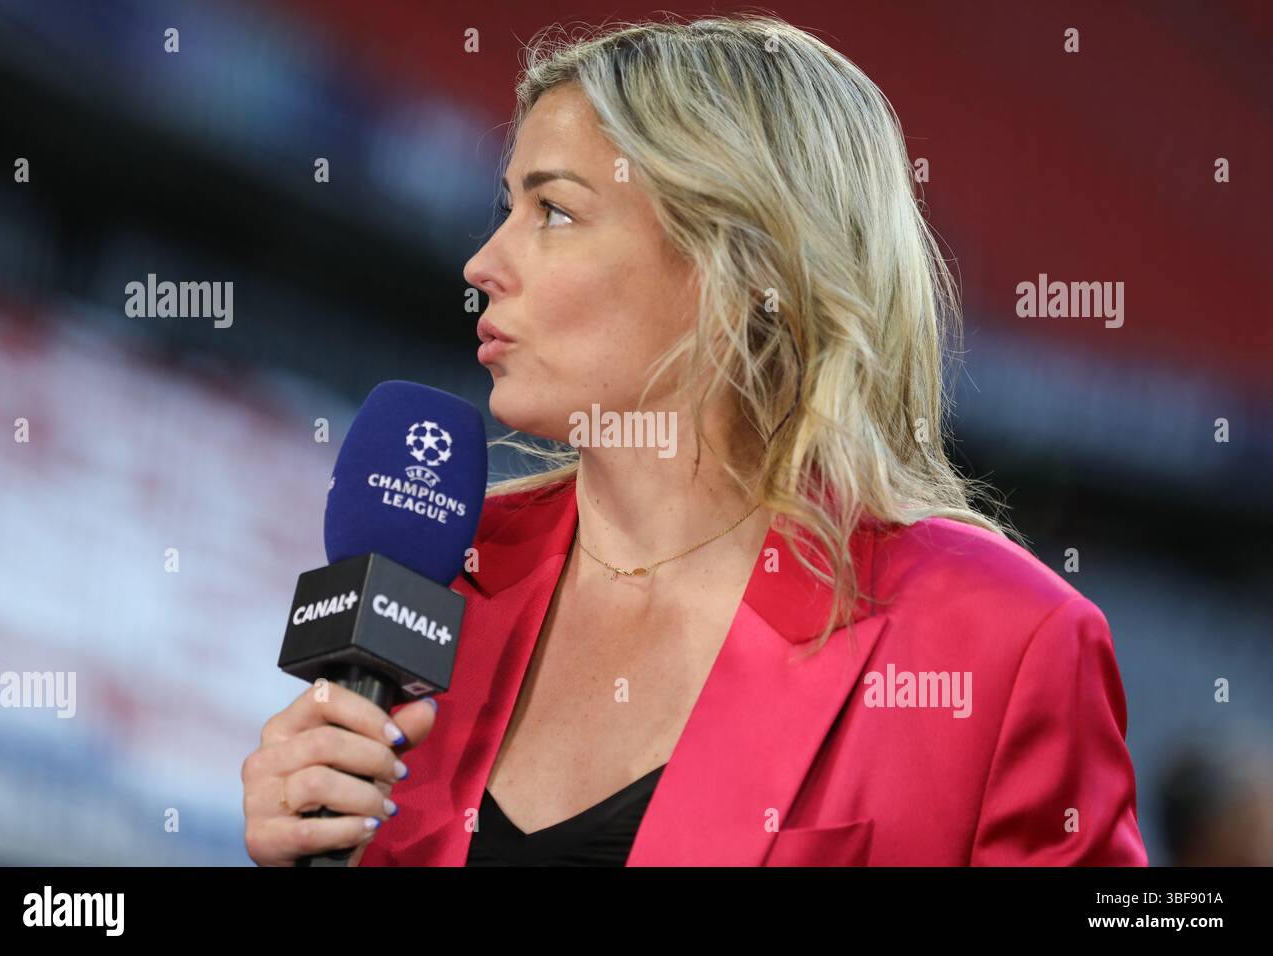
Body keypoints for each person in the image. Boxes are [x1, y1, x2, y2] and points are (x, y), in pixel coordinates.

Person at [241, 13, 1147, 866]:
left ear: (742, 264)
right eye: (505, 207)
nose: (482, 265)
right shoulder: (444, 582)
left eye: (552, 211)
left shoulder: (1002, 644)